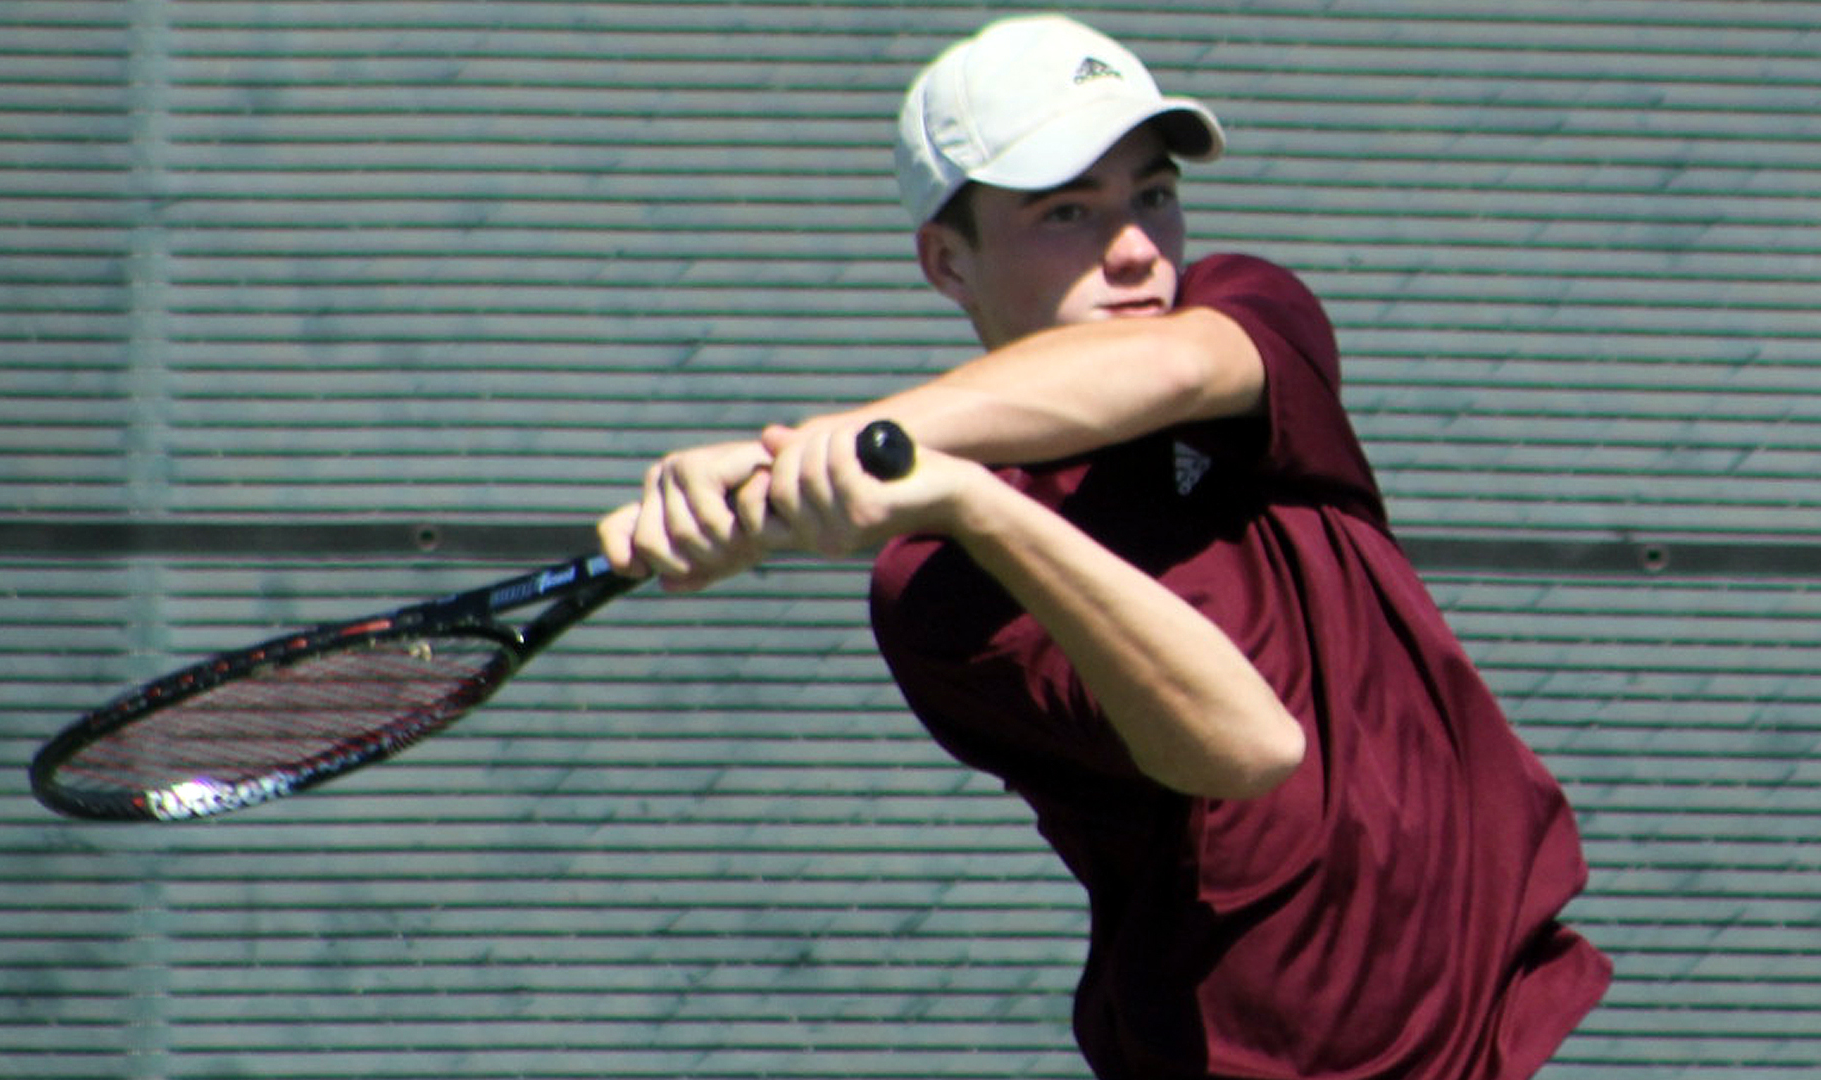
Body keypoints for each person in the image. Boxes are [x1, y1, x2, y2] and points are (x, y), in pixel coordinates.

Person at [598, 13, 1611, 1079]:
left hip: (1498, 1030)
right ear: (949, 262)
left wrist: (827, 447)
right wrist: (983, 512)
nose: (1135, 249)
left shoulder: (1242, 314)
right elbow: (1245, 750)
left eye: (1152, 195)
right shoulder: (941, 591)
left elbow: (1167, 374)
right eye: (1069, 212)